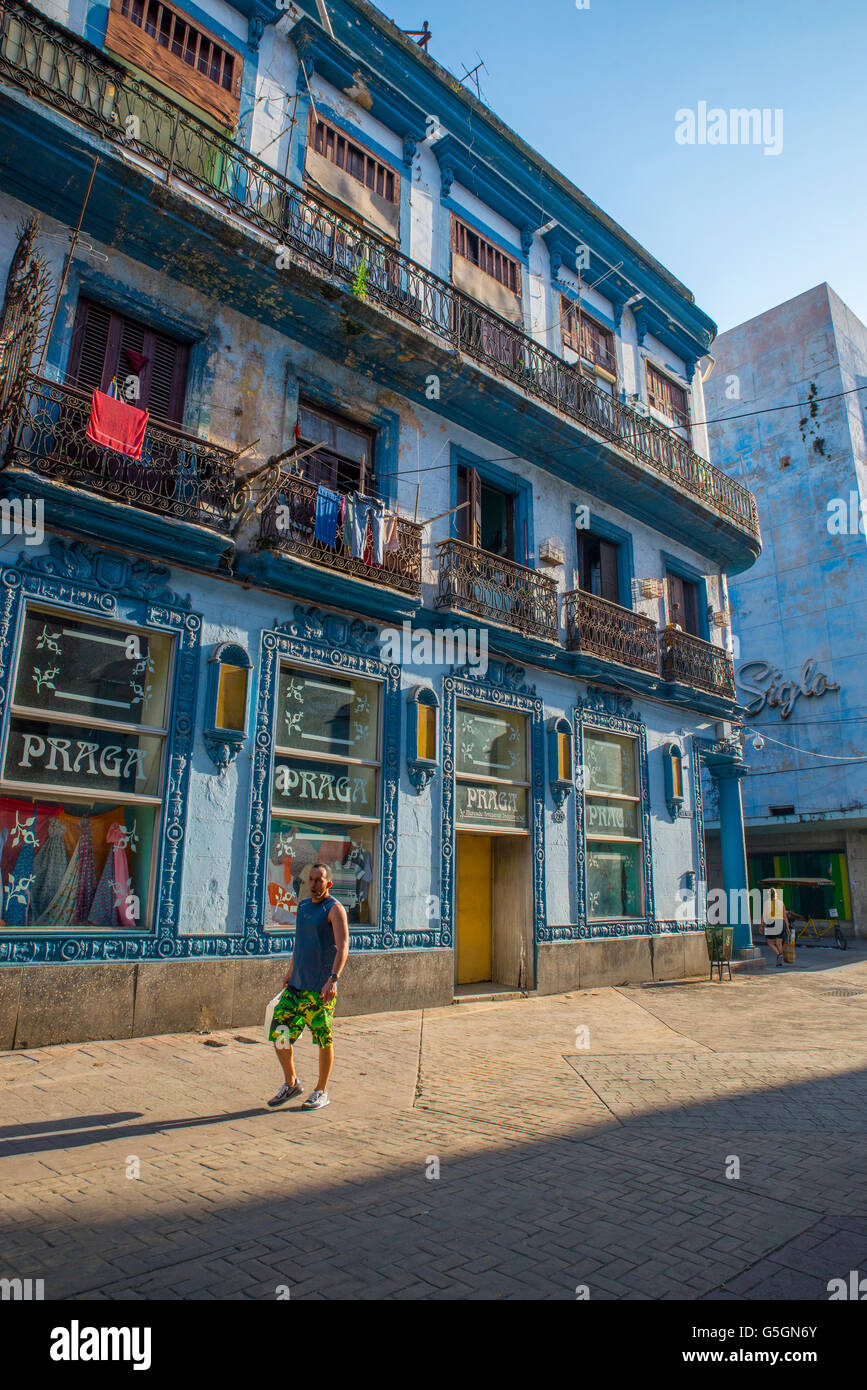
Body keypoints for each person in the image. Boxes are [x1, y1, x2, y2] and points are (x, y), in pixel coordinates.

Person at [266, 862, 349, 1111]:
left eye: (318, 880)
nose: (313, 885)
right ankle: (291, 1082)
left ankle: (321, 1090)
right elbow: (299, 943)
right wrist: (290, 971)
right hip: (296, 986)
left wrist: (333, 979)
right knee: (279, 1031)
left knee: (323, 1038)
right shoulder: (302, 907)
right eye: (311, 880)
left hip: (319, 989)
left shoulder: (334, 909)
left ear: (328, 883)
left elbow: (343, 946)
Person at [761, 886, 787, 966]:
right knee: (779, 943)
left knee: (770, 942)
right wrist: (788, 927)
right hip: (781, 922)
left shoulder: (767, 903)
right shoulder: (781, 903)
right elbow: (785, 916)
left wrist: (761, 926)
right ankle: (779, 962)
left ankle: (778, 954)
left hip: (771, 922)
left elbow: (764, 916)